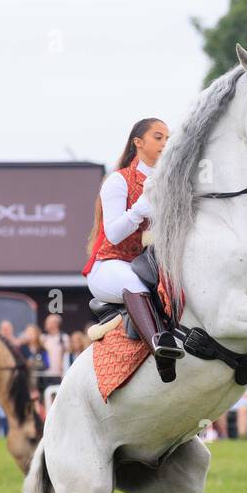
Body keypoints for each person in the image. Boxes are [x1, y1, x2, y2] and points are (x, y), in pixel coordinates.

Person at [82, 118, 182, 358]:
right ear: (138, 142)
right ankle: (159, 345)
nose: (165, 143)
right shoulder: (118, 180)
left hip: (151, 267)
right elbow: (114, 234)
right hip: (110, 265)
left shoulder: (170, 185)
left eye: (168, 139)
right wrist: (139, 210)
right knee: (134, 284)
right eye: (158, 138)